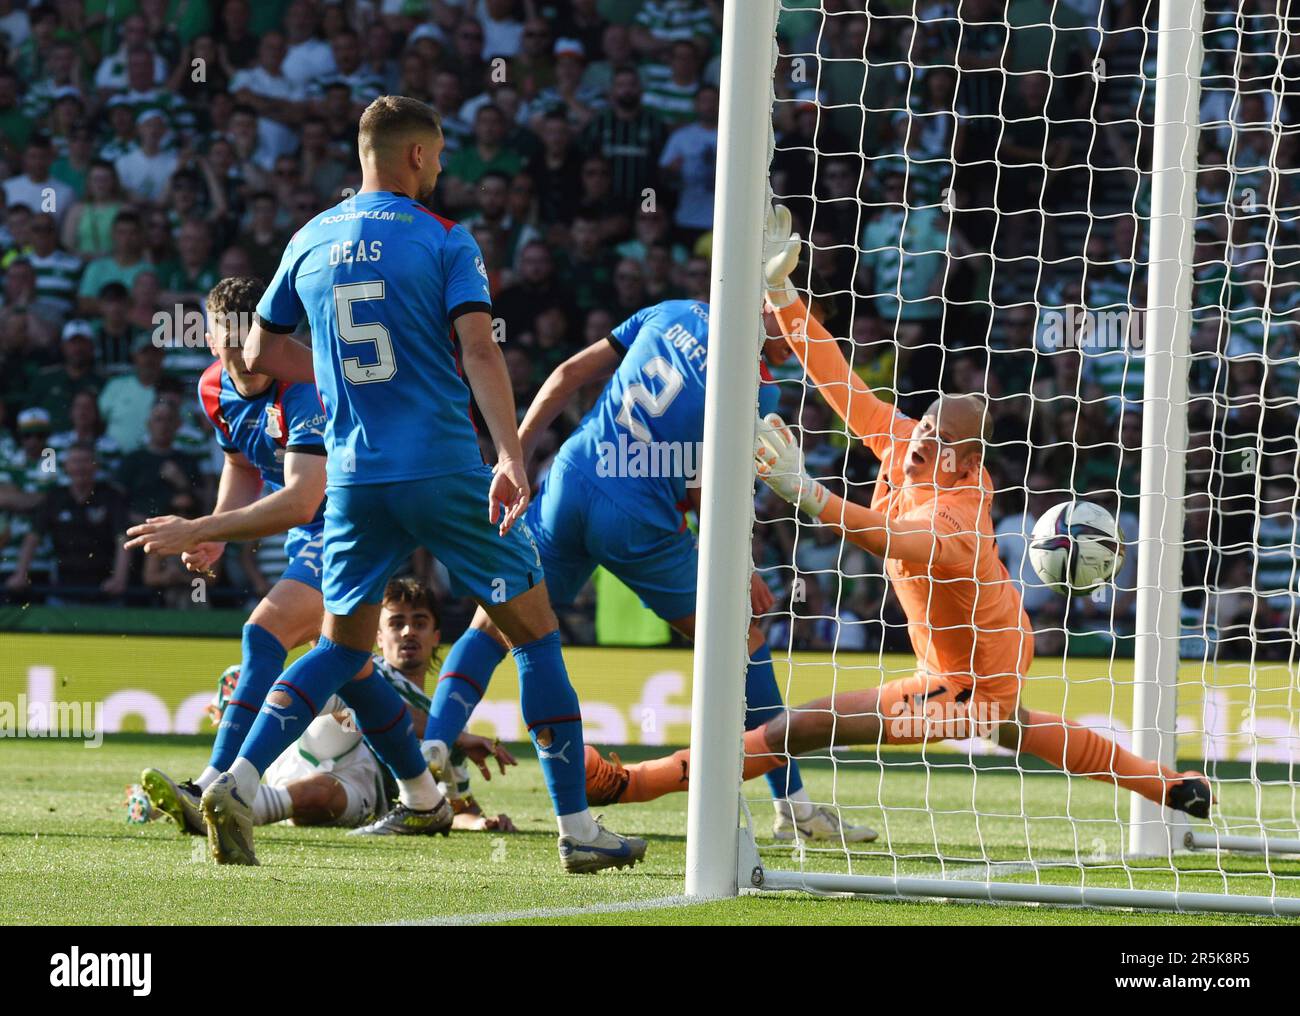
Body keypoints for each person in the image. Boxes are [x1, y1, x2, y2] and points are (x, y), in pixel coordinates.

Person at [584, 206, 1214, 823]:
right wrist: (782, 295)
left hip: (964, 685)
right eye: (926, 426)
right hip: (991, 645)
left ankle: (632, 784)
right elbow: (843, 385)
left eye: (939, 442)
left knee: (805, 725)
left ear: (966, 466)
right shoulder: (909, 441)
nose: (920, 442)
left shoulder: (959, 518)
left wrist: (808, 493)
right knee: (1021, 729)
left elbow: (895, 537)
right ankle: (1173, 786)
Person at [229, 95, 644, 873]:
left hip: (353, 476)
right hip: (445, 468)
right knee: (535, 636)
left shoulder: (307, 238)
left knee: (339, 647)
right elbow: (481, 352)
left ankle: (234, 779)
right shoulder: (446, 237)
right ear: (419, 156)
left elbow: (256, 352)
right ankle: (580, 831)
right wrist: (511, 454)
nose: (444, 167)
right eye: (443, 155)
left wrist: (335, 377)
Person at [420, 297, 875, 843]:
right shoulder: (759, 386)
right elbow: (707, 483)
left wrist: (513, 457)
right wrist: (739, 565)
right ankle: (795, 809)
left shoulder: (672, 311)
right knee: (743, 641)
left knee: (492, 626)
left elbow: (566, 375)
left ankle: (429, 758)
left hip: (572, 478)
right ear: (771, 303)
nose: (801, 344)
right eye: (802, 328)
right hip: (637, 515)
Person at [124, 276, 449, 863]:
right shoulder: (212, 387)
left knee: (263, 631)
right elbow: (241, 464)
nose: (234, 358)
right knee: (350, 668)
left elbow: (301, 498)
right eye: (222, 342)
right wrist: (221, 528)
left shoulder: (306, 391)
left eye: (245, 344)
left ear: (269, 339)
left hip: (359, 519)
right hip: (318, 532)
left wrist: (198, 528)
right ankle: (424, 797)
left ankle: (214, 784)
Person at [144, 578, 517, 834]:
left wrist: (481, 823)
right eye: (397, 623)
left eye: (420, 623)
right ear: (376, 634)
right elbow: (332, 680)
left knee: (323, 789)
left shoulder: (443, 718)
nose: (408, 632)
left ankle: (211, 808)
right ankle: (247, 709)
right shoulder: (372, 674)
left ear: (436, 636)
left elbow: (458, 806)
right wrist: (456, 735)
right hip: (304, 750)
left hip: (355, 786)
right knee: (341, 686)